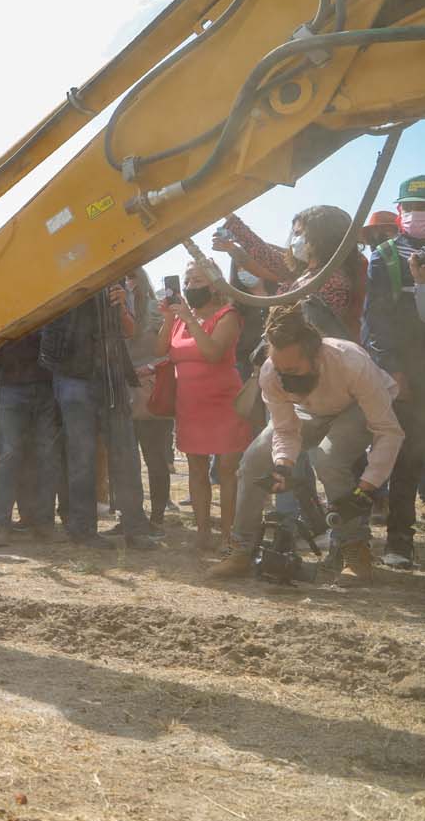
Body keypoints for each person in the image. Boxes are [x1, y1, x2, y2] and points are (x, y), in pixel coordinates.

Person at [210, 302, 403, 583]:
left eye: (293, 369)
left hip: (355, 407)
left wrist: (366, 488)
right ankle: (241, 550)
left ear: (316, 356)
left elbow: (388, 431)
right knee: (253, 460)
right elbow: (286, 431)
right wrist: (283, 466)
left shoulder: (351, 362)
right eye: (280, 368)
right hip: (310, 410)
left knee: (327, 458)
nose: (284, 375)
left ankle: (355, 551)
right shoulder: (270, 373)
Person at [40, 284, 159, 550]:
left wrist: (121, 306)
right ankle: (83, 530)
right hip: (74, 375)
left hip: (111, 376)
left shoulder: (112, 280)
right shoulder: (62, 277)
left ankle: (135, 528)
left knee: (125, 454)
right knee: (82, 456)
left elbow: (130, 331)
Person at [157, 261, 252, 549]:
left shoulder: (228, 315)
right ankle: (202, 533)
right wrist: (167, 319)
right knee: (196, 469)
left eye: (197, 280)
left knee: (227, 470)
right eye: (187, 281)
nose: (190, 286)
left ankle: (228, 535)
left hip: (224, 402)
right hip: (190, 404)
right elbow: (160, 351)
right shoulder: (181, 317)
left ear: (214, 284)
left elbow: (212, 353)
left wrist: (188, 320)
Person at [362, 173, 425, 566]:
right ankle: (399, 540)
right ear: (400, 210)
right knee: (406, 454)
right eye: (413, 208)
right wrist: (394, 371)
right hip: (407, 373)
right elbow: (376, 321)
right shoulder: (385, 255)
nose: (418, 215)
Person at [215, 206, 365, 339]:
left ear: (321, 237)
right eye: (294, 234)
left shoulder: (332, 281)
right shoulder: (303, 273)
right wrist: (229, 218)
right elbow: (265, 254)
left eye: (300, 234)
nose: (295, 240)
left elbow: (311, 333)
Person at [0, 330, 59, 545]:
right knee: (14, 455)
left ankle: (41, 524)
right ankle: (3, 525)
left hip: (33, 382)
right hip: (16, 382)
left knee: (41, 456)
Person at [125, 269, 174, 530]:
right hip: (122, 393)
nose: (126, 283)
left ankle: (157, 517)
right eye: (122, 278)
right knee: (125, 460)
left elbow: (170, 349)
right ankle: (129, 517)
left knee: (155, 458)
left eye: (130, 277)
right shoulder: (112, 311)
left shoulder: (155, 310)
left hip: (150, 392)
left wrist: (151, 368)